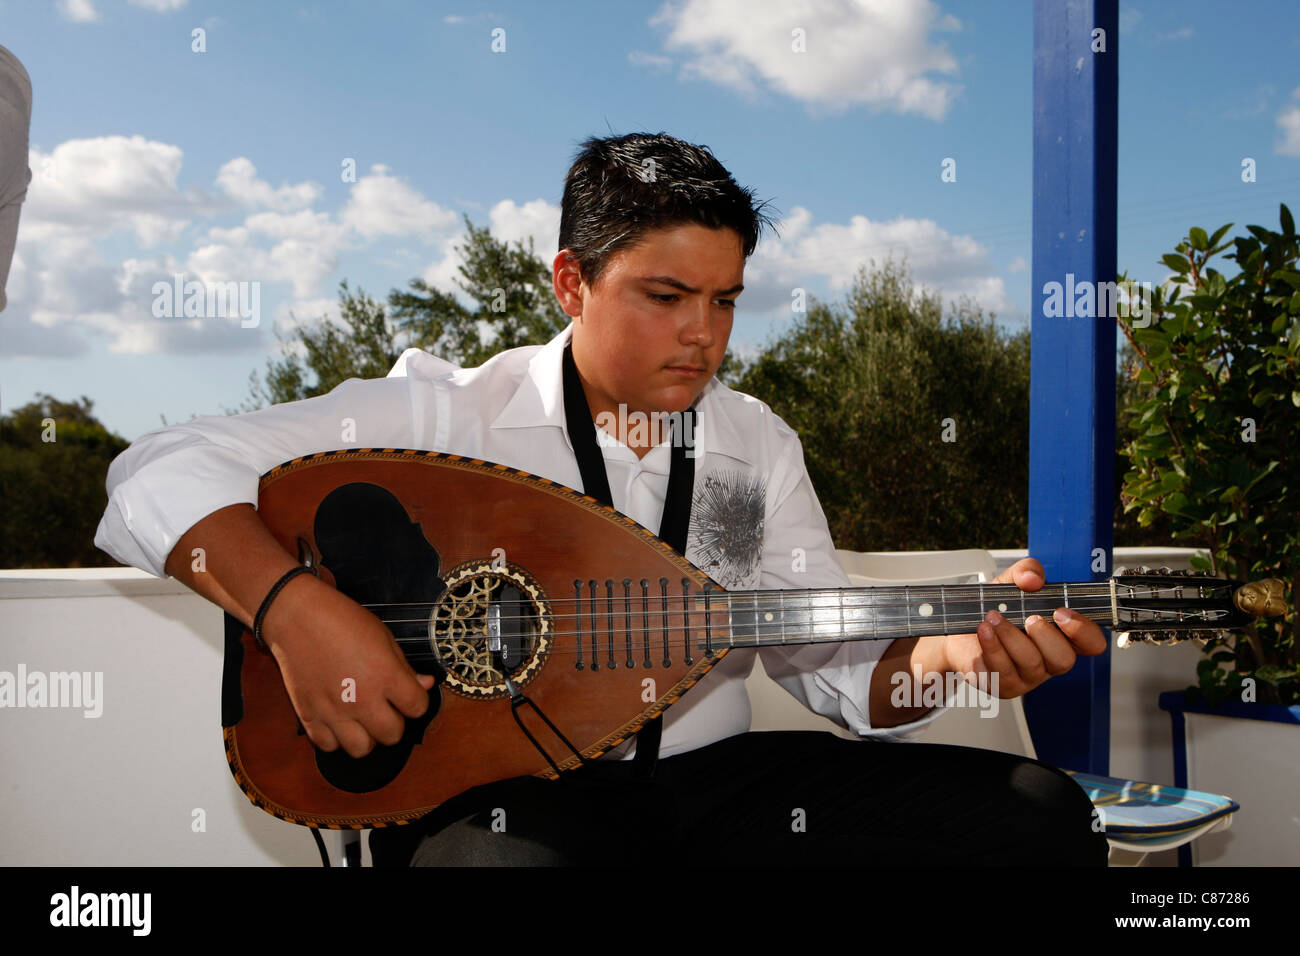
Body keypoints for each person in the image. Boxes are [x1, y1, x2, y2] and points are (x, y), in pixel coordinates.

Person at [96, 132, 1109, 866]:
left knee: (1035, 808)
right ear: (571, 283)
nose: (702, 334)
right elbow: (152, 469)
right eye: (665, 297)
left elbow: (842, 673)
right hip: (505, 795)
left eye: (724, 300)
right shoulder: (448, 416)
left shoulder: (751, 441)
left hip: (710, 784)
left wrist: (962, 662)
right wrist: (292, 608)